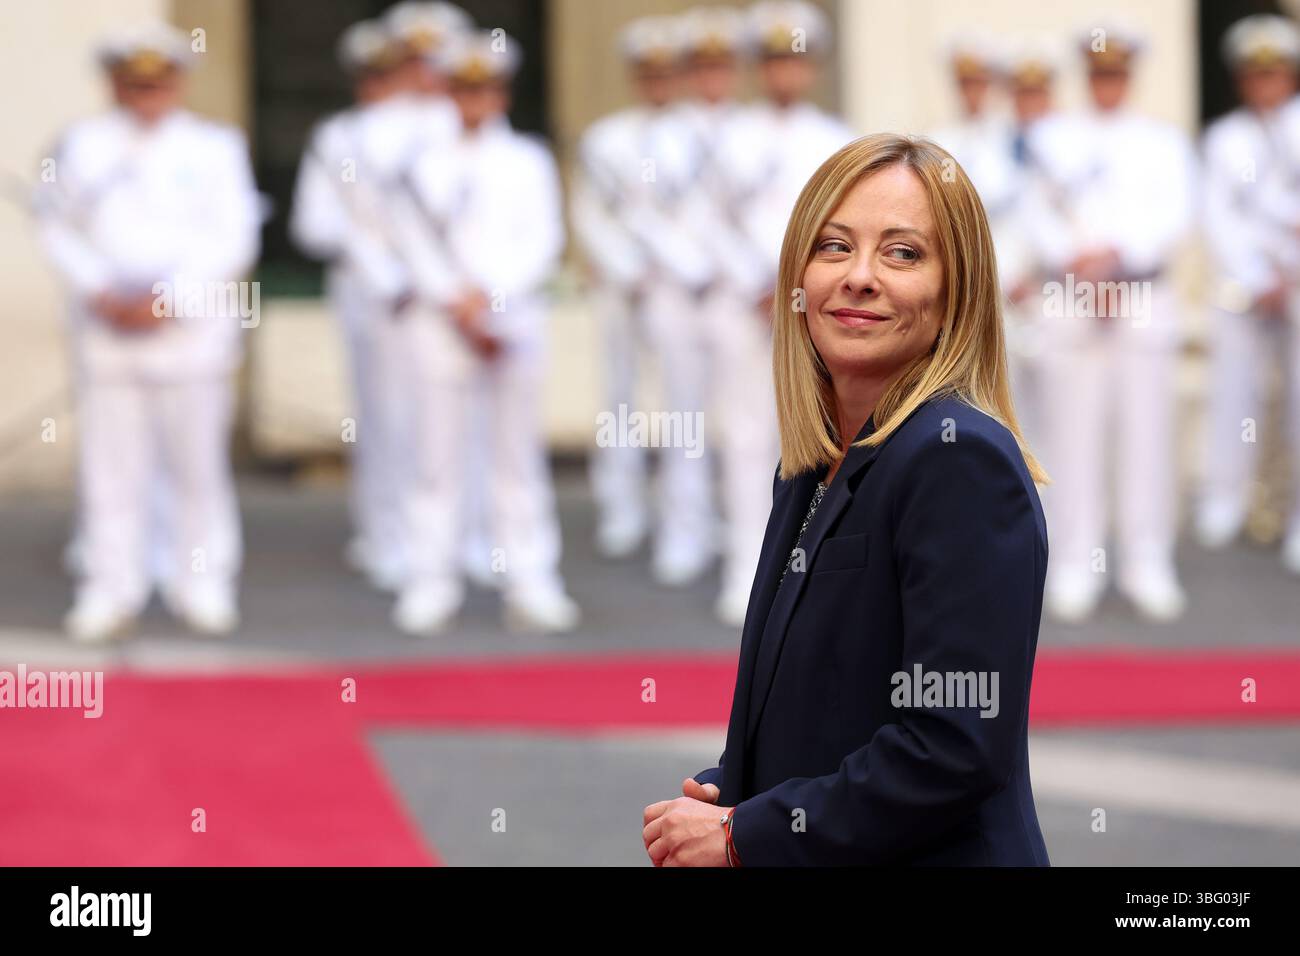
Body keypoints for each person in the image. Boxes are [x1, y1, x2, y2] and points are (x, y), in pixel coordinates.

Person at [642, 134, 1050, 866]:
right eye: (834, 247)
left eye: (902, 253)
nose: (859, 277)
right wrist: (730, 793)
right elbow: (832, 713)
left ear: (957, 288)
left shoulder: (958, 460)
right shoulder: (814, 463)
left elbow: (953, 747)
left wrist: (745, 836)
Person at [36, 22, 261, 642]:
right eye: (133, 84)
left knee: (196, 468)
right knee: (111, 470)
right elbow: (56, 228)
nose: (145, 95)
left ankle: (203, 584)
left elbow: (233, 235)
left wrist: (169, 299)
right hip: (109, 330)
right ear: (114, 84)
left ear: (178, 83)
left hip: (189, 333)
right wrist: (100, 290)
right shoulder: (80, 145)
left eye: (157, 83)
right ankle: (110, 590)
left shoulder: (215, 147)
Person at [393, 30, 580, 634]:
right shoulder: (420, 160)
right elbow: (412, 244)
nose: (475, 99)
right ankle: (431, 581)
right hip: (443, 323)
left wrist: (489, 299)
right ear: (446, 90)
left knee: (516, 459)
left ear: (501, 93)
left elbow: (544, 240)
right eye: (463, 87)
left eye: (486, 88)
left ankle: (531, 580)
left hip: (511, 321)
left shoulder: (527, 159)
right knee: (436, 458)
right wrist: (458, 301)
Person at [1025, 24, 1197, 623]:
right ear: (1085, 74)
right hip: (1073, 301)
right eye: (1099, 73)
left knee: (1146, 437)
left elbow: (1174, 215)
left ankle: (1146, 560)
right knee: (1072, 438)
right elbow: (1035, 214)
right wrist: (1080, 262)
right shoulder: (1050, 137)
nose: (1107, 84)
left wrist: (1117, 256)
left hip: (1139, 302)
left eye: (1116, 73)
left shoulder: (1163, 143)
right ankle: (1076, 560)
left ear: (1131, 76)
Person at [703, 0, 853, 625]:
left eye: (793, 60)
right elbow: (707, 221)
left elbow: (850, 227)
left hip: (816, 310)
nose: (783, 74)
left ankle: (817, 569)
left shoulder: (837, 139)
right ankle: (747, 565)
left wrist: (801, 284)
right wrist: (760, 279)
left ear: (812, 66)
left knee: (821, 439)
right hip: (747, 306)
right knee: (745, 435)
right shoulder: (726, 137)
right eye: (770, 61)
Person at [289, 20, 411, 592]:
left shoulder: (437, 128)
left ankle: (456, 535)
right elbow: (313, 223)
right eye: (373, 75)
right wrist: (374, 260)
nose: (382, 85)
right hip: (366, 291)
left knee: (448, 421)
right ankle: (386, 534)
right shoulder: (338, 136)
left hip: (432, 294)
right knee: (380, 416)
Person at [572, 16, 686, 561]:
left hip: (678, 284)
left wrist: (674, 265)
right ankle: (621, 505)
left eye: (666, 72)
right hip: (623, 285)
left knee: (681, 398)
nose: (657, 81)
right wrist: (623, 266)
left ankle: (683, 513)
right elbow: (589, 213)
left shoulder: (697, 137)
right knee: (619, 396)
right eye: (648, 72)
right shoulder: (607, 138)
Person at [1197, 14, 1300, 575]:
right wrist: (1260, 276)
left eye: (1276, 73)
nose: (1265, 84)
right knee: (1234, 397)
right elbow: (1217, 216)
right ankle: (1225, 500)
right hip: (1246, 284)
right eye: (1255, 75)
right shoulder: (1225, 137)